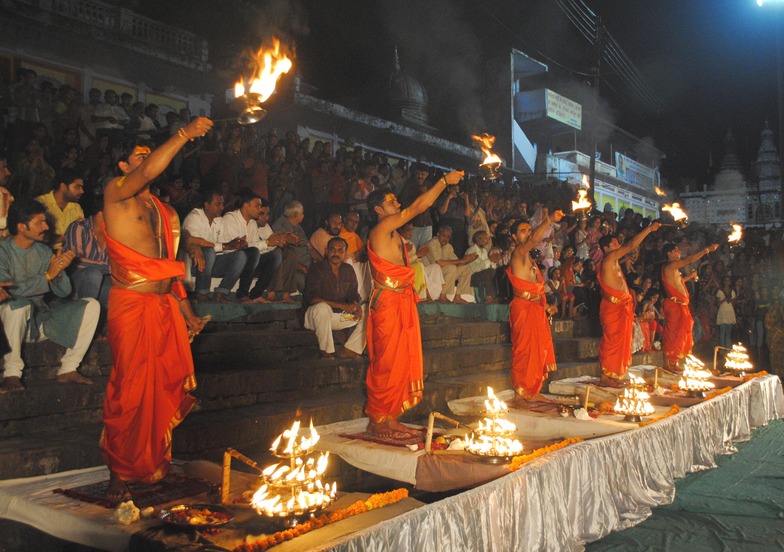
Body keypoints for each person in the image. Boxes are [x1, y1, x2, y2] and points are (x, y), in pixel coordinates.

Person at [101, 117, 212, 501]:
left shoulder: (163, 210)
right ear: (123, 166)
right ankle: (118, 470)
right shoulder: (115, 194)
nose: (148, 161)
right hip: (131, 304)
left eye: (149, 154)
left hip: (163, 305)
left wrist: (188, 312)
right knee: (129, 389)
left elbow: (168, 265)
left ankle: (148, 465)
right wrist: (183, 134)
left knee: (159, 388)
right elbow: (151, 169)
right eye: (139, 155)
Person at [365, 171, 463, 438]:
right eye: (391, 201)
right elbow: (418, 207)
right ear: (377, 209)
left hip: (402, 300)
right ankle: (378, 418)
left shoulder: (396, 235)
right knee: (387, 360)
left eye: (397, 201)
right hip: (388, 301)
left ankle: (391, 414)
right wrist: (443, 182)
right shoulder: (381, 229)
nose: (397, 205)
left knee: (400, 359)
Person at [0, 199, 99, 392]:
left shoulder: (44, 251)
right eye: (40, 222)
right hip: (9, 321)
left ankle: (68, 369)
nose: (46, 226)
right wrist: (47, 276)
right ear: (21, 227)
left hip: (39, 319)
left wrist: (60, 270)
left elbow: (63, 292)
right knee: (18, 305)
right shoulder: (2, 251)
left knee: (92, 305)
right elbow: (8, 292)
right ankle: (12, 373)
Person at [507, 212, 563, 407]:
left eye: (529, 230)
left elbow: (535, 288)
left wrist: (546, 306)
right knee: (523, 351)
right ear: (514, 237)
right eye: (523, 231)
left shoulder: (530, 259)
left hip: (536, 309)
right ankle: (519, 394)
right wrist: (548, 221)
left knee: (538, 351)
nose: (527, 234)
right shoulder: (518, 253)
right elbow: (534, 240)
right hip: (523, 309)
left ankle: (532, 391)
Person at [597, 222, 661, 386]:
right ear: (606, 248)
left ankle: (616, 375)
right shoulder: (609, 259)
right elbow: (631, 244)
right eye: (615, 243)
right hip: (613, 308)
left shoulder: (616, 261)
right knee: (612, 341)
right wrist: (648, 229)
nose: (619, 245)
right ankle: (606, 376)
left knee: (622, 342)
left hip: (622, 308)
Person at [302, 237, 367, 359]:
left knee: (368, 311)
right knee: (322, 308)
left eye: (340, 251)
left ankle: (350, 349)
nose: (335, 253)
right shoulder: (317, 269)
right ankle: (326, 352)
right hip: (315, 318)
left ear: (345, 254)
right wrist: (343, 306)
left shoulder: (348, 269)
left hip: (337, 317)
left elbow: (353, 295)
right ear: (326, 251)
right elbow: (312, 299)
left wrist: (356, 306)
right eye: (332, 250)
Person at [183, 189, 248, 303]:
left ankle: (221, 293)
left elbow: (223, 246)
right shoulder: (195, 216)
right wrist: (226, 246)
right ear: (206, 205)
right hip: (194, 265)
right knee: (208, 252)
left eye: (222, 204)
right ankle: (201, 293)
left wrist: (234, 245)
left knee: (241, 256)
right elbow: (194, 243)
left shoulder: (219, 220)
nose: (222, 207)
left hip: (211, 264)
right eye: (218, 204)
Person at [661, 242, 718, 370]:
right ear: (668, 253)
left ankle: (673, 362)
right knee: (672, 334)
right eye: (675, 250)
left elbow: (678, 282)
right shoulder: (670, 266)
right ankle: (668, 363)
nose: (678, 252)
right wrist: (706, 249)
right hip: (674, 305)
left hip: (680, 306)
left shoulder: (673, 269)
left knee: (679, 334)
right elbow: (688, 260)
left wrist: (690, 277)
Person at [63, 207, 111, 308]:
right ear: (102, 211)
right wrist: (109, 268)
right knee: (93, 274)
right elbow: (74, 261)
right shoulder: (79, 227)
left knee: (123, 289)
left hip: (100, 279)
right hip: (75, 280)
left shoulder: (112, 232)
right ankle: (80, 312)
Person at [422, 225, 477, 303]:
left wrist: (467, 260)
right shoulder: (431, 243)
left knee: (466, 268)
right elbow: (439, 263)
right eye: (443, 236)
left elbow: (457, 261)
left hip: (443, 274)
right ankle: (442, 296)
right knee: (451, 267)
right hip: (431, 275)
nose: (445, 239)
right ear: (437, 235)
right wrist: (461, 261)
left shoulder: (449, 247)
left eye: (448, 237)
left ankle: (458, 296)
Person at [35, 167, 85, 249]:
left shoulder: (76, 208)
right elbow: (36, 236)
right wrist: (64, 238)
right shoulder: (41, 203)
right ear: (63, 186)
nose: (82, 191)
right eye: (77, 187)